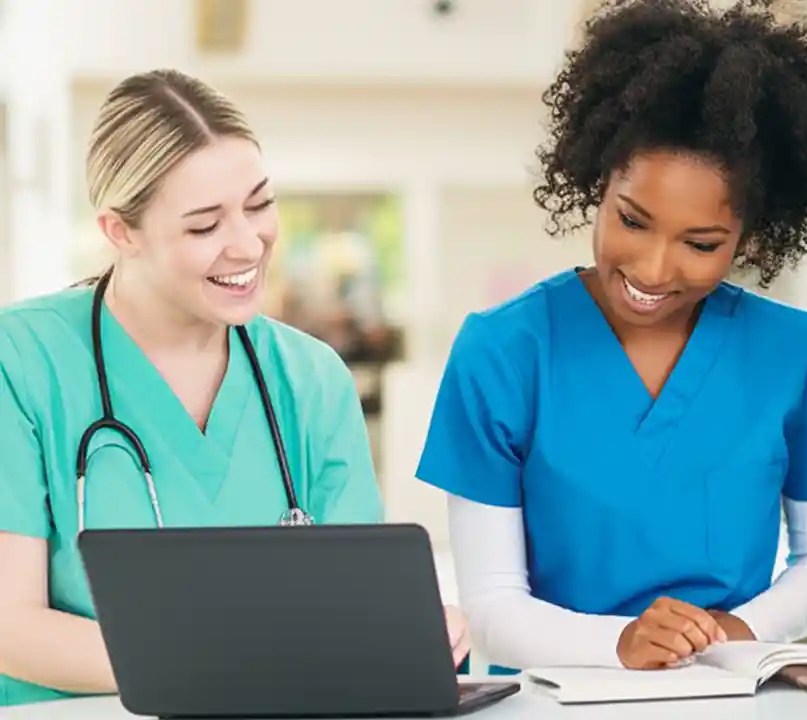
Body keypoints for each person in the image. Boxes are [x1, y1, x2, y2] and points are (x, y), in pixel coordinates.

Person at [416, 0, 807, 672]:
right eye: (632, 220)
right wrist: (620, 645)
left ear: (750, 235)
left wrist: (736, 629)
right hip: (551, 703)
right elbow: (488, 604)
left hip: (727, 695)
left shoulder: (798, 354)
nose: (654, 270)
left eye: (700, 242)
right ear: (598, 181)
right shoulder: (501, 351)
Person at [0, 69, 469, 707]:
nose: (248, 244)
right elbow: (12, 626)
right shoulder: (23, 360)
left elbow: (346, 607)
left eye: (259, 204)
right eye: (203, 226)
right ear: (120, 231)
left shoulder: (311, 380)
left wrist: (398, 631)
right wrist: (252, 651)